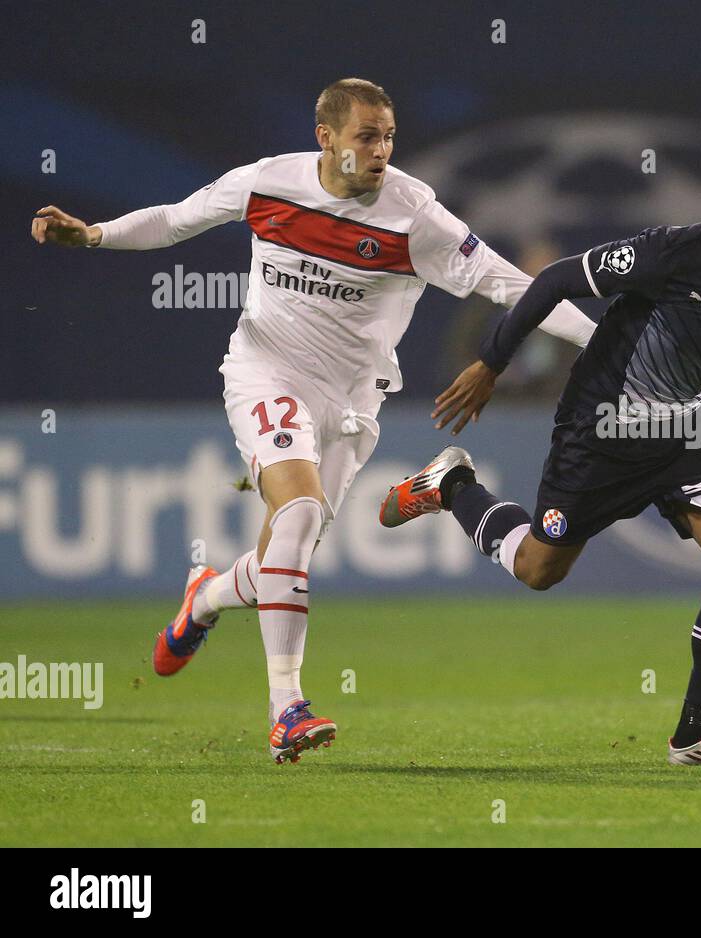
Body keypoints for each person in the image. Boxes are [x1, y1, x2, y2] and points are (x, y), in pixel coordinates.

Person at [30, 78, 594, 764]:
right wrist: (92, 235)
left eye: (388, 136)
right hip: (267, 373)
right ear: (326, 136)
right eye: (366, 136)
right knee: (297, 513)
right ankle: (285, 711)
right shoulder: (269, 184)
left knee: (285, 557)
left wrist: (604, 341)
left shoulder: (414, 215)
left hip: (355, 401)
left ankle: (205, 597)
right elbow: (177, 219)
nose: (381, 151)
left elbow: (513, 286)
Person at [380, 164, 701, 766]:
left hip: (684, 428)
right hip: (604, 427)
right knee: (540, 568)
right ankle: (453, 486)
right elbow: (554, 282)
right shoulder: (671, 254)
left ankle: (696, 733)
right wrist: (491, 362)